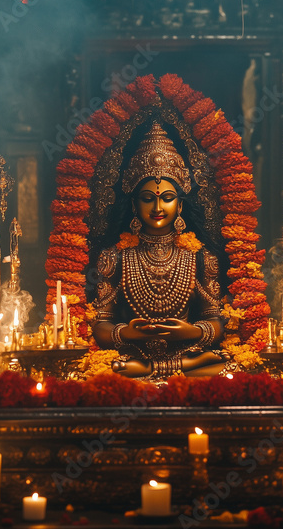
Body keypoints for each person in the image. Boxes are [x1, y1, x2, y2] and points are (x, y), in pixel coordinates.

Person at [91, 120, 228, 379]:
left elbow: (216, 321)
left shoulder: (199, 256)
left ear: (180, 205)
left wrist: (191, 332)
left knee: (224, 365)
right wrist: (128, 333)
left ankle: (153, 370)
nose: (157, 208)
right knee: (103, 372)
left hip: (189, 355)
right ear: (134, 204)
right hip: (132, 356)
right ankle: (153, 368)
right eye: (147, 198)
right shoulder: (115, 256)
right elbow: (100, 324)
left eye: (167, 198)